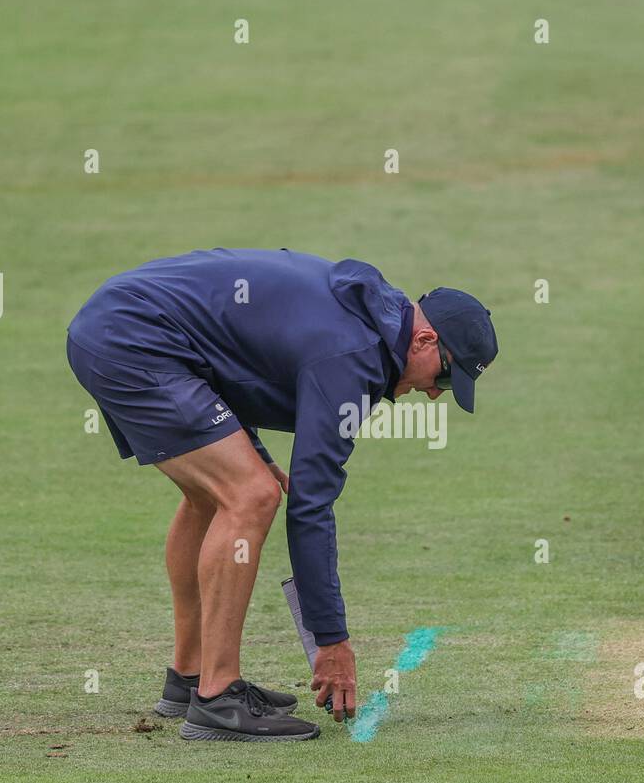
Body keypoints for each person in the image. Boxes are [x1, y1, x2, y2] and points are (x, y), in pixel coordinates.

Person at [66, 248, 498, 742]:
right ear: (424, 339)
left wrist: (251, 448)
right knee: (250, 495)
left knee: (218, 495)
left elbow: (230, 349)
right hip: (134, 340)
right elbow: (312, 504)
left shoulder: (370, 318)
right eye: (445, 375)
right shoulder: (352, 358)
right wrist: (331, 641)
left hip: (121, 324)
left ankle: (189, 677)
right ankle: (218, 699)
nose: (436, 393)